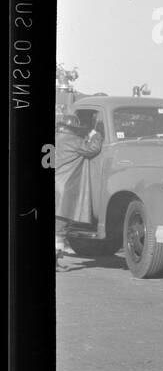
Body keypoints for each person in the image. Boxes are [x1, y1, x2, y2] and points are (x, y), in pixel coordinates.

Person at [53, 113, 103, 267]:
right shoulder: (72, 140)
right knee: (59, 230)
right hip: (63, 188)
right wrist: (96, 135)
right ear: (72, 128)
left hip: (56, 183)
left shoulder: (56, 138)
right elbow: (92, 149)